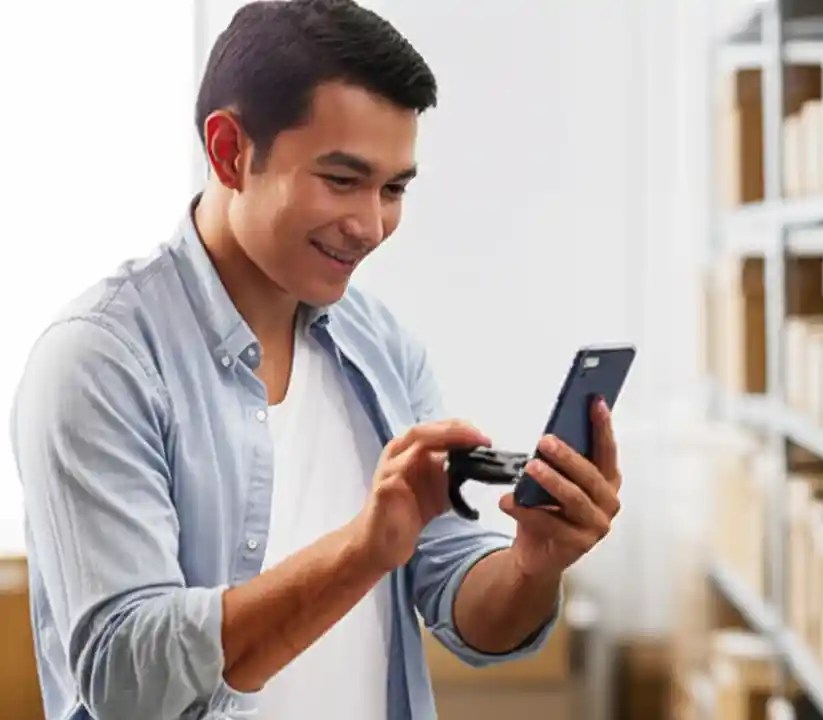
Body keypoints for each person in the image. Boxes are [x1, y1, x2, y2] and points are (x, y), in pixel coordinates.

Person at [9, 1, 623, 718]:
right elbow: (127, 680)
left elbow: (464, 602)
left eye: (393, 189)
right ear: (229, 151)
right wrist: (363, 549)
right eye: (341, 179)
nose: (371, 226)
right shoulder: (100, 360)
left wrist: (533, 564)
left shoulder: (382, 345)